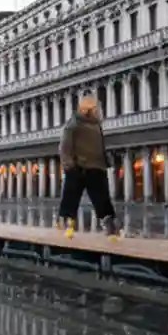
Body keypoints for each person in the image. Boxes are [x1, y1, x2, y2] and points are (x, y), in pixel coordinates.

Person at [58, 95, 118, 238]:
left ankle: (109, 224)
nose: (97, 111)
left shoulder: (96, 125)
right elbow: (65, 145)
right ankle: (69, 224)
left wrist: (104, 161)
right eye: (94, 108)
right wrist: (69, 164)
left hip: (96, 166)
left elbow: (100, 145)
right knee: (72, 196)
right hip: (79, 166)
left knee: (102, 198)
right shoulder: (74, 124)